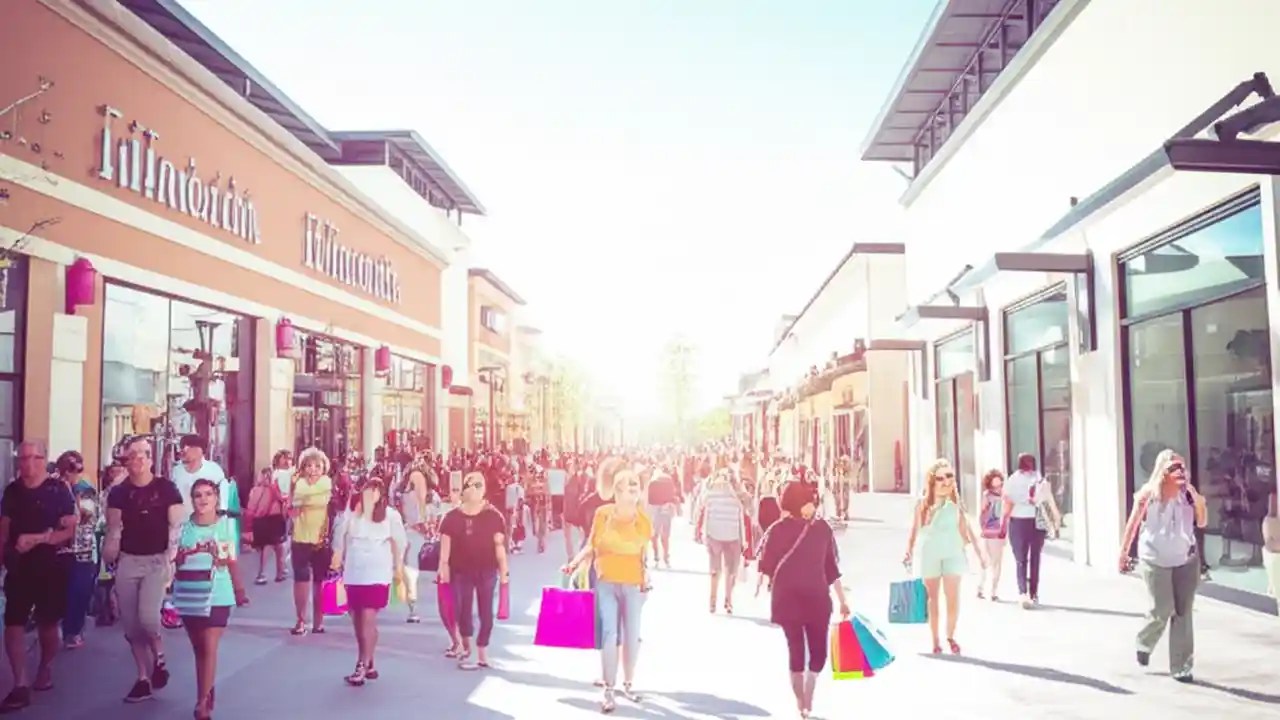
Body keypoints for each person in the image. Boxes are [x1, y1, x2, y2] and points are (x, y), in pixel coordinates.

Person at [104, 435, 186, 703]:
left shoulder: (166, 488)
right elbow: (114, 530)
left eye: (144, 454)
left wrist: (171, 559)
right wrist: (109, 556)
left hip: (156, 561)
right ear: (126, 459)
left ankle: (159, 658)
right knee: (131, 626)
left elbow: (176, 526)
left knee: (148, 618)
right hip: (128, 560)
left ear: (151, 459)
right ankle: (142, 677)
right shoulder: (118, 492)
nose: (139, 458)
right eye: (134, 454)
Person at [757, 481, 849, 719]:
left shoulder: (814, 530)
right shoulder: (796, 529)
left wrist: (842, 600)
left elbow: (830, 567)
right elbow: (767, 563)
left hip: (803, 598)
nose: (814, 505)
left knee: (807, 652)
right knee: (806, 651)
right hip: (802, 599)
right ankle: (804, 699)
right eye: (810, 500)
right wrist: (842, 600)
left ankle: (806, 695)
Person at [565, 466, 652, 713]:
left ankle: (628, 683)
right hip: (605, 581)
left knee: (632, 637)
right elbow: (593, 544)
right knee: (610, 634)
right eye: (624, 487)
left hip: (633, 583)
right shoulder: (603, 513)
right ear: (615, 490)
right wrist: (574, 562)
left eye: (634, 486)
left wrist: (629, 514)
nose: (629, 491)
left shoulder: (642, 518)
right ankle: (609, 689)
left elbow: (636, 546)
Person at [1118, 449, 1206, 682]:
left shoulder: (1188, 494)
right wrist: (1123, 552)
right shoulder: (1148, 495)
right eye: (1174, 468)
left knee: (1183, 612)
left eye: (1182, 467)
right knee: (1162, 609)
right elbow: (1133, 523)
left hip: (1186, 559)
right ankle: (1144, 642)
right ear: (1162, 471)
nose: (1180, 472)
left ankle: (1182, 666)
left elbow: (1203, 520)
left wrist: (1197, 499)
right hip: (1154, 559)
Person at [0, 440, 76, 712]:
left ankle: (45, 666)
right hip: (19, 566)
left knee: (47, 625)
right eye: (22, 458)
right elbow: (4, 529)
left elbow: (69, 530)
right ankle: (20, 683)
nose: (27, 463)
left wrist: (39, 539)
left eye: (34, 457)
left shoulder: (59, 490)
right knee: (13, 623)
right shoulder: (12, 491)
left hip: (50, 566)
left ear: (44, 460)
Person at [173, 478, 248, 718]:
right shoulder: (184, 528)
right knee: (198, 648)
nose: (203, 499)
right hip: (189, 594)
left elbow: (230, 560)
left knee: (209, 645)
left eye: (208, 494)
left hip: (218, 593)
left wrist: (239, 590)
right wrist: (187, 553)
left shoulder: (224, 526)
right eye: (198, 495)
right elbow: (174, 559)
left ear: (216, 498)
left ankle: (201, 702)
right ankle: (207, 688)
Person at [330, 475, 407, 685]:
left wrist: (398, 568)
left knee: (367, 618)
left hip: (377, 573)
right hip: (354, 573)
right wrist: (337, 554)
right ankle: (370, 659)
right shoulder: (353, 513)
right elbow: (340, 533)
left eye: (376, 491)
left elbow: (400, 542)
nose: (370, 495)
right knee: (357, 619)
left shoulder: (390, 516)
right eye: (368, 490)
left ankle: (361, 664)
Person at [904, 459, 983, 656]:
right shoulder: (923, 505)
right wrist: (908, 551)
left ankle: (950, 636)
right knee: (932, 599)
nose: (946, 481)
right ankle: (935, 640)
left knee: (953, 598)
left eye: (949, 476)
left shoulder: (956, 504)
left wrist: (980, 554)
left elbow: (967, 531)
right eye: (940, 478)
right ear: (932, 481)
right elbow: (915, 529)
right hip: (929, 553)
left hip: (953, 554)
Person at [438, 471, 508, 670]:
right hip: (460, 571)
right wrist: (443, 570)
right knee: (463, 610)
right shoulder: (451, 518)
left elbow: (499, 546)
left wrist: (504, 572)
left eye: (480, 485)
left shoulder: (494, 516)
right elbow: (445, 550)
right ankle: (467, 648)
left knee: (486, 612)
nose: (476, 489)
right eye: (472, 485)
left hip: (487, 570)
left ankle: (482, 652)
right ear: (464, 489)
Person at [1002, 453, 1061, 609]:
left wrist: (1003, 522)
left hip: (1018, 521)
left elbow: (1007, 501)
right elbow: (1047, 498)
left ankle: (1023, 593)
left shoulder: (1013, 480)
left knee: (1021, 559)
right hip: (1036, 522)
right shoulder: (1039, 478)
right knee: (1035, 558)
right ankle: (1032, 593)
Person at [55, 450, 100, 650]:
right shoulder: (60, 489)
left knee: (78, 592)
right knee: (65, 591)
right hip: (64, 549)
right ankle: (66, 629)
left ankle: (73, 631)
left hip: (83, 549)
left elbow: (86, 515)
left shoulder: (84, 489)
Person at [288, 447, 334, 636]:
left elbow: (315, 500)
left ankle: (318, 621)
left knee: (320, 582)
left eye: (317, 465)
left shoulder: (327, 483)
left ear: (324, 468)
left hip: (321, 539)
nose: (313, 469)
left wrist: (303, 500)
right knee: (301, 580)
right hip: (300, 537)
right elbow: (293, 505)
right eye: (308, 465)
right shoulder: (296, 483)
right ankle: (300, 620)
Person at [698, 471, 746, 614]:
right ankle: (728, 601)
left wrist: (704, 534)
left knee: (715, 571)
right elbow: (745, 514)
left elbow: (701, 509)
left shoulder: (710, 493)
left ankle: (712, 602)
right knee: (730, 571)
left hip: (714, 535)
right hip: (733, 536)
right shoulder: (738, 495)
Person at [244, 468, 287, 585]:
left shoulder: (255, 490)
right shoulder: (273, 489)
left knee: (272, 546)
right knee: (274, 545)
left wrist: (248, 524)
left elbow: (250, 506)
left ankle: (278, 571)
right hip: (273, 519)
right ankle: (268, 573)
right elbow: (282, 500)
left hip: (260, 520)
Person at [977, 469, 1006, 601]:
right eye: (995, 484)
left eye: (1000, 483)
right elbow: (982, 514)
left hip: (997, 532)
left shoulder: (1003, 495)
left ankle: (988, 589)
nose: (998, 487)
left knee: (994, 562)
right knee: (990, 562)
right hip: (990, 532)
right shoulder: (987, 495)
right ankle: (986, 589)